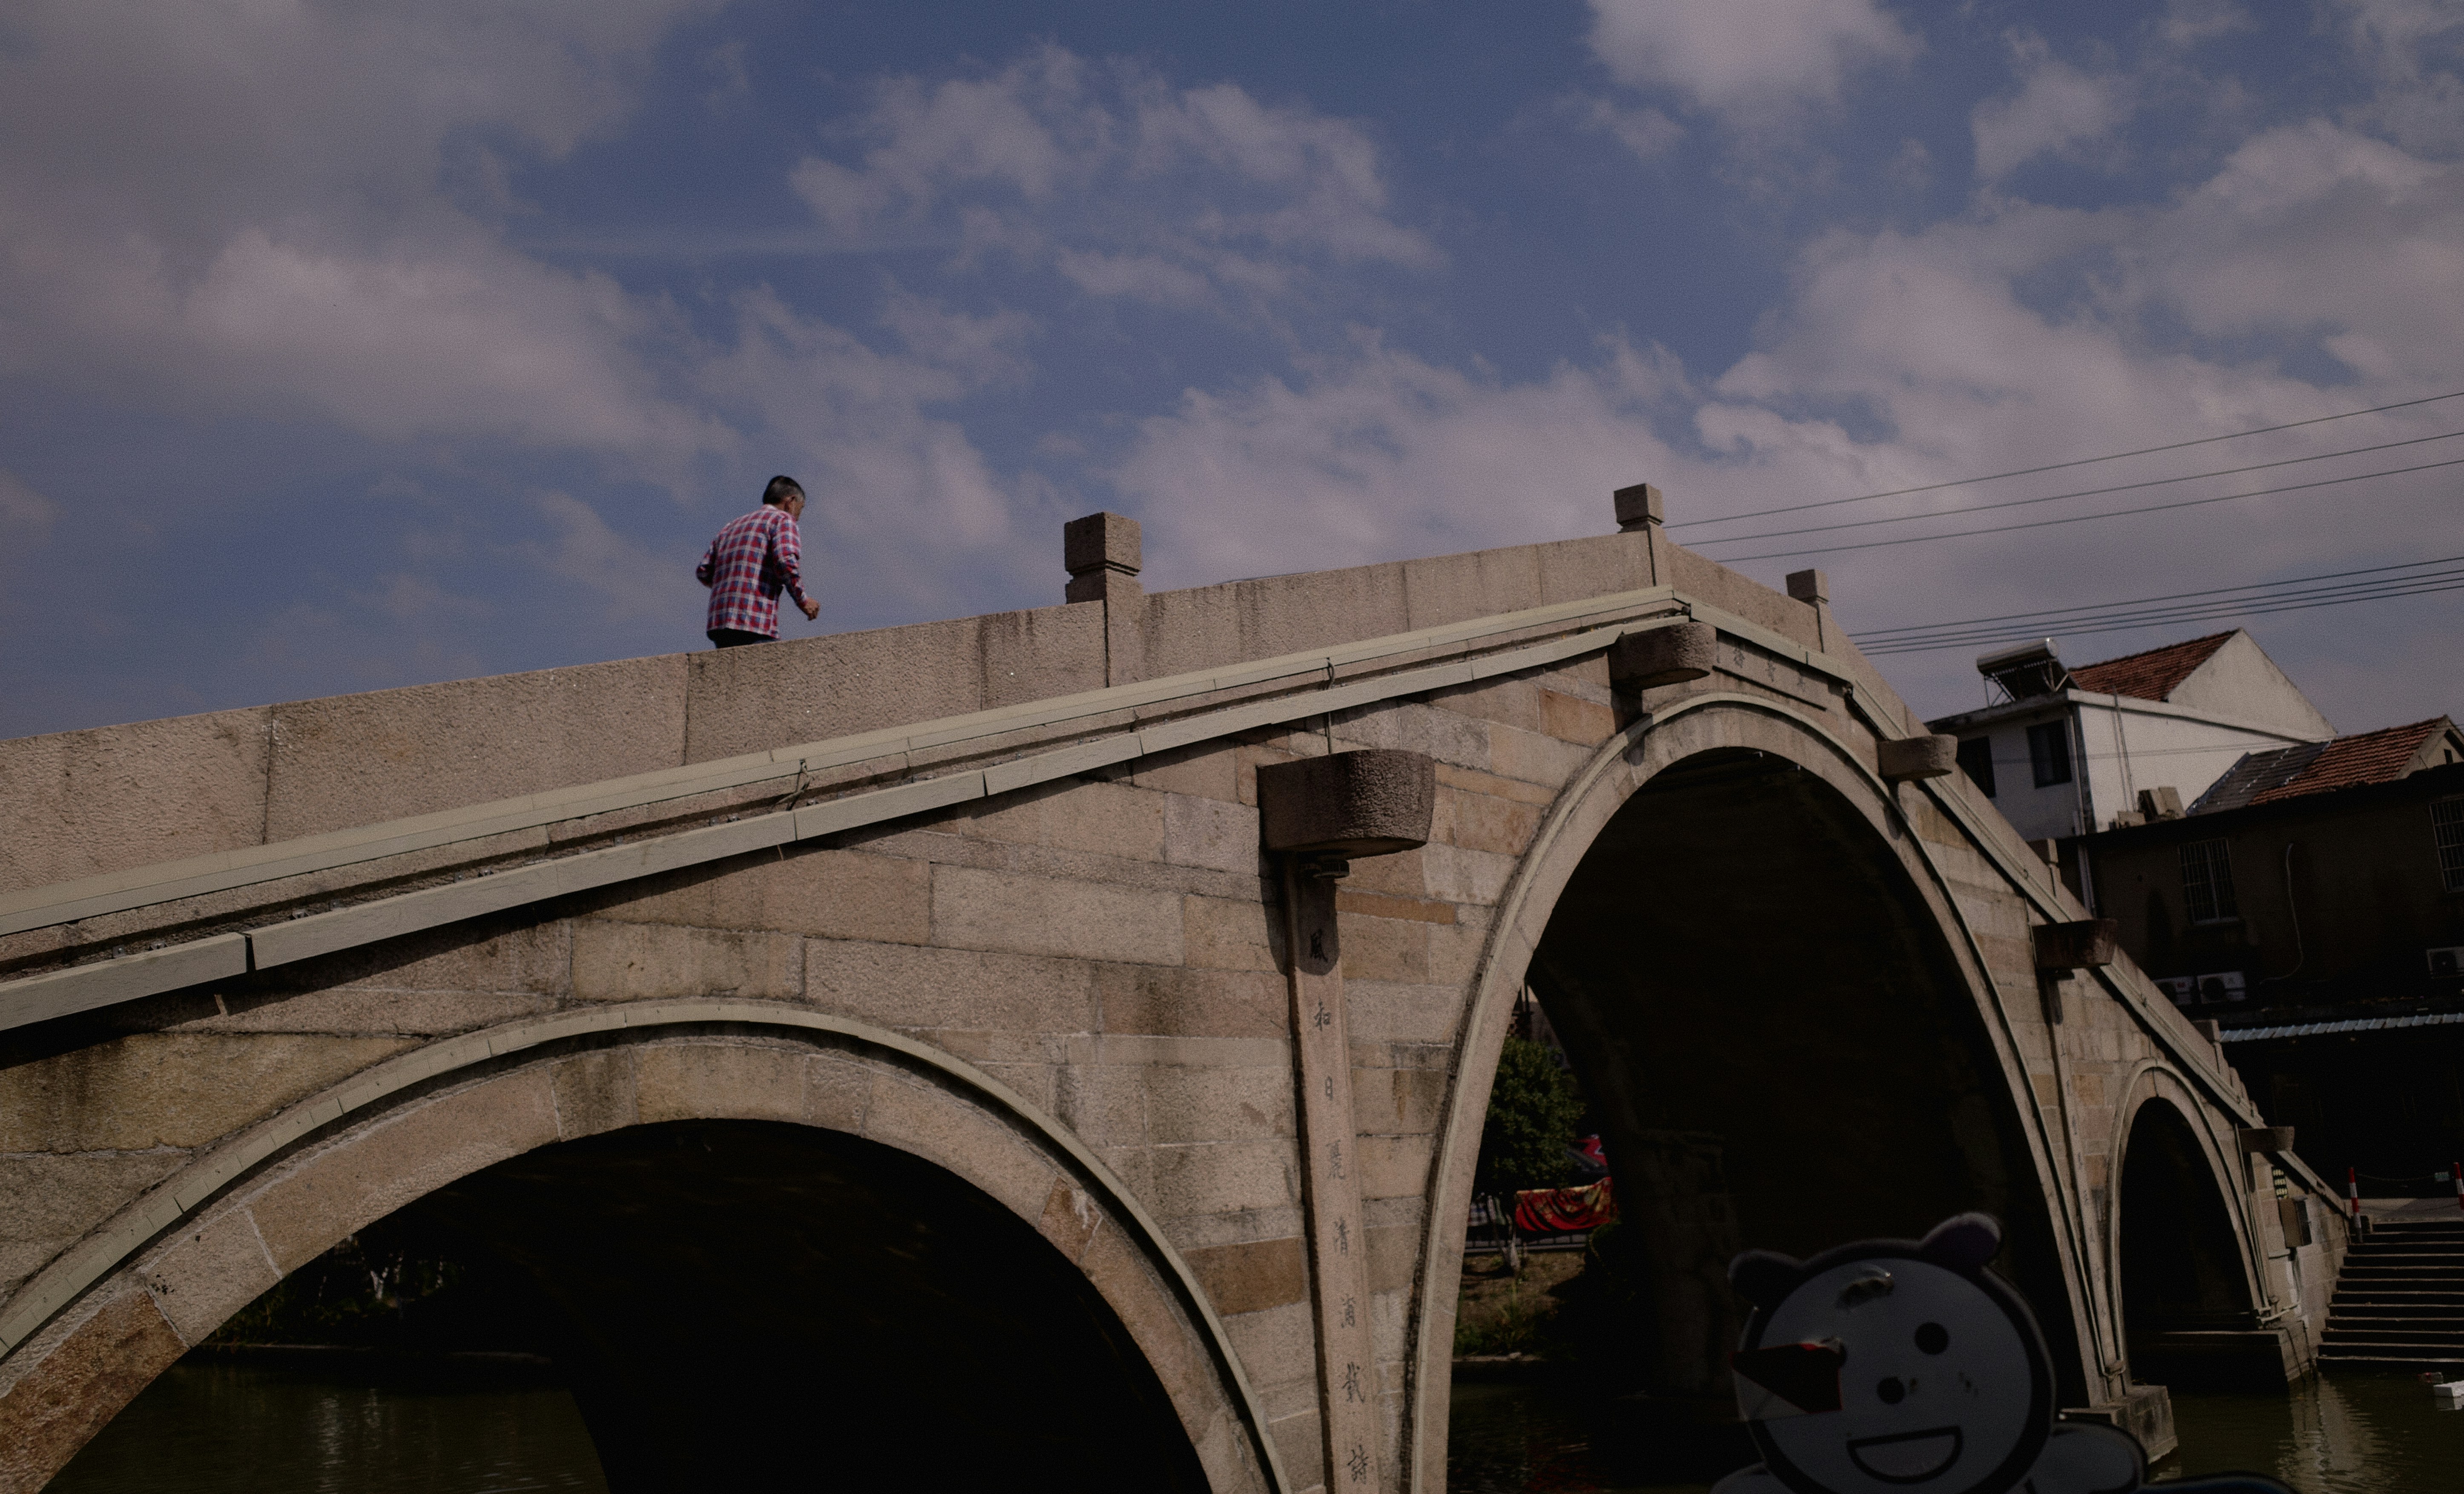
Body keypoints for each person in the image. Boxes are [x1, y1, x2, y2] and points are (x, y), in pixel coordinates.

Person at [696, 475, 820, 648]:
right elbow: (785, 562)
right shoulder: (782, 520)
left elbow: (704, 571)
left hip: (720, 624)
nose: (798, 516)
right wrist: (803, 600)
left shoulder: (731, 527)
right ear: (791, 502)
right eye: (800, 508)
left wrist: (733, 582)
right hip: (755, 622)